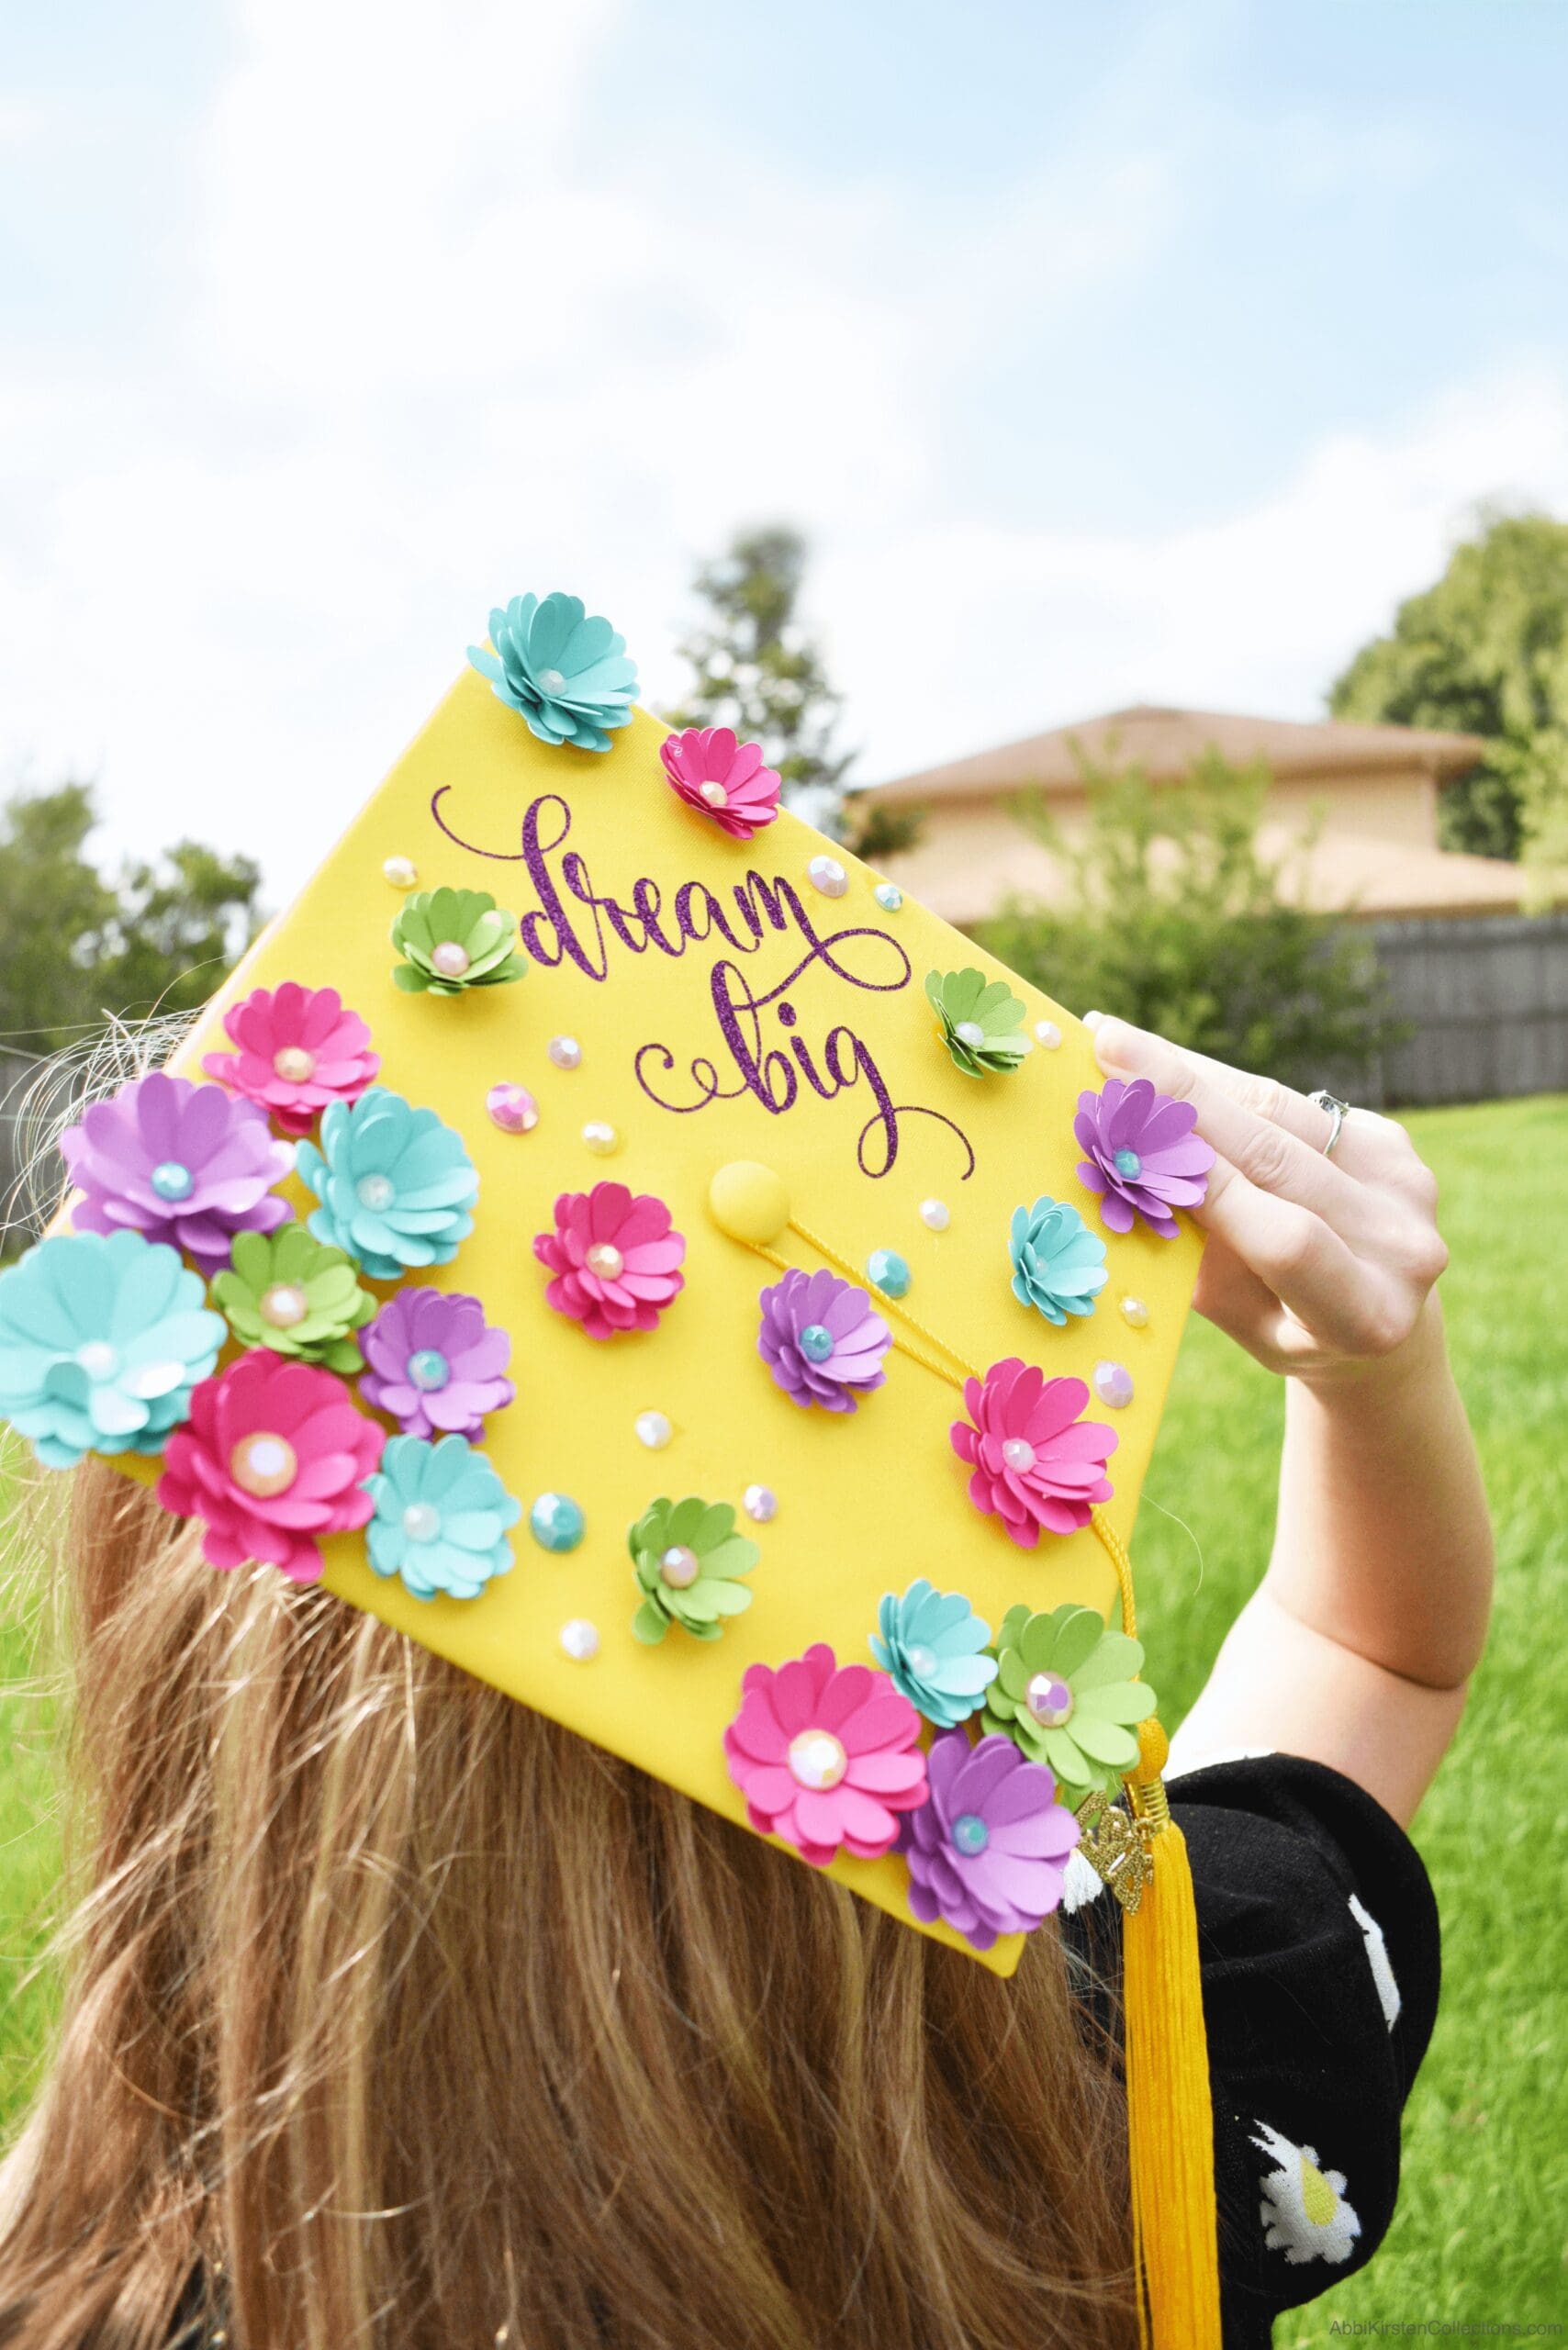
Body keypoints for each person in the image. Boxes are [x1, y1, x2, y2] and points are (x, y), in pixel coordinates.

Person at [0, 1015, 1492, 2350]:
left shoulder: (79, 2296)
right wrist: (1373, 1373)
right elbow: (1363, 1653)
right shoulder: (1132, 2100)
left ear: (193, 1768)